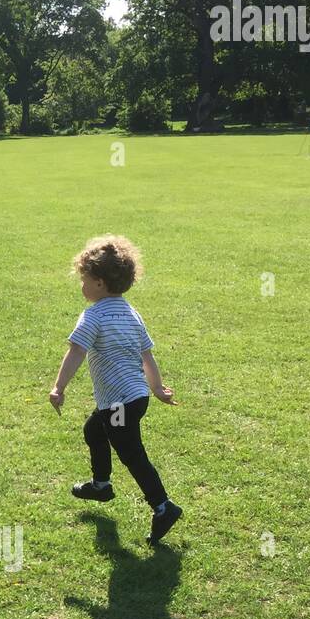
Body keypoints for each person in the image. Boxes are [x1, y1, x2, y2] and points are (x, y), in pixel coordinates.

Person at [49, 234, 183, 546]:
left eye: (84, 280)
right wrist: (158, 389)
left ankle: (163, 506)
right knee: (94, 430)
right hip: (133, 398)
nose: (81, 286)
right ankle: (101, 485)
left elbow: (77, 352)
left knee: (132, 454)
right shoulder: (131, 313)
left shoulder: (93, 315)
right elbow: (146, 355)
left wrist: (59, 387)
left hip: (119, 404)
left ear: (98, 283)